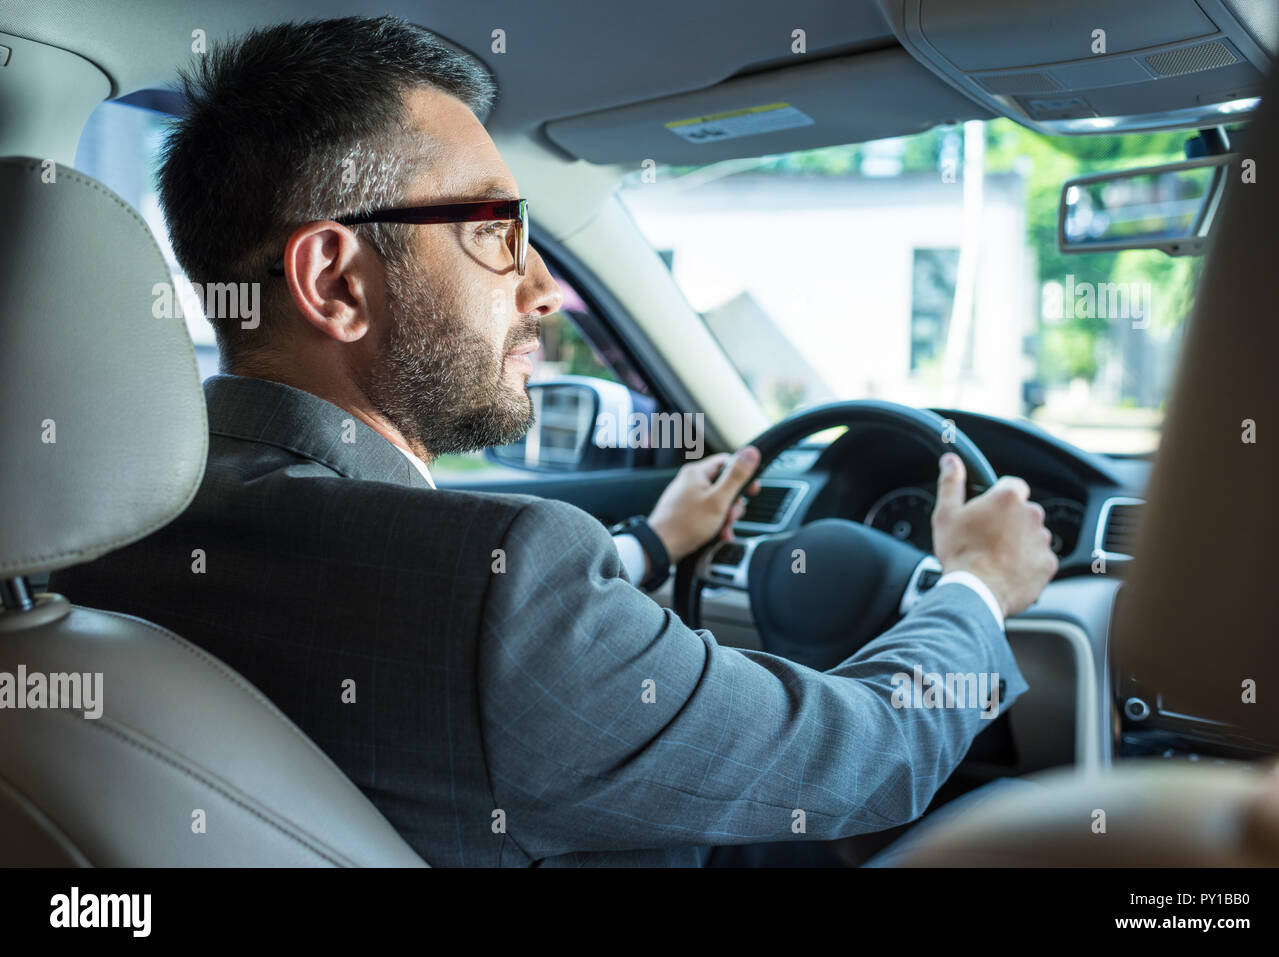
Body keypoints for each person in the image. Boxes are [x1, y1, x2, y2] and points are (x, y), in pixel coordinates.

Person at [50, 16, 1058, 866]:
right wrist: (973, 586)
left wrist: (653, 548)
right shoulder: (502, 591)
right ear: (337, 283)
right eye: (496, 233)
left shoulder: (82, 536)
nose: (543, 289)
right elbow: (863, 757)